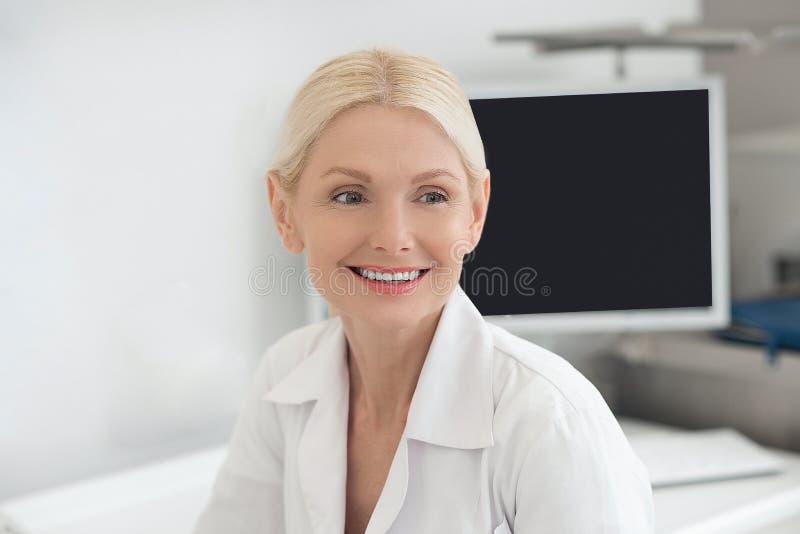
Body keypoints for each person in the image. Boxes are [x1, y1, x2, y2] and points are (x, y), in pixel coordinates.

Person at [192, 47, 654, 534]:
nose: (393, 238)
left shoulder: (553, 424)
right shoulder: (282, 378)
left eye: (432, 196)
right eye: (350, 195)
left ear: (474, 213)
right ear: (285, 213)